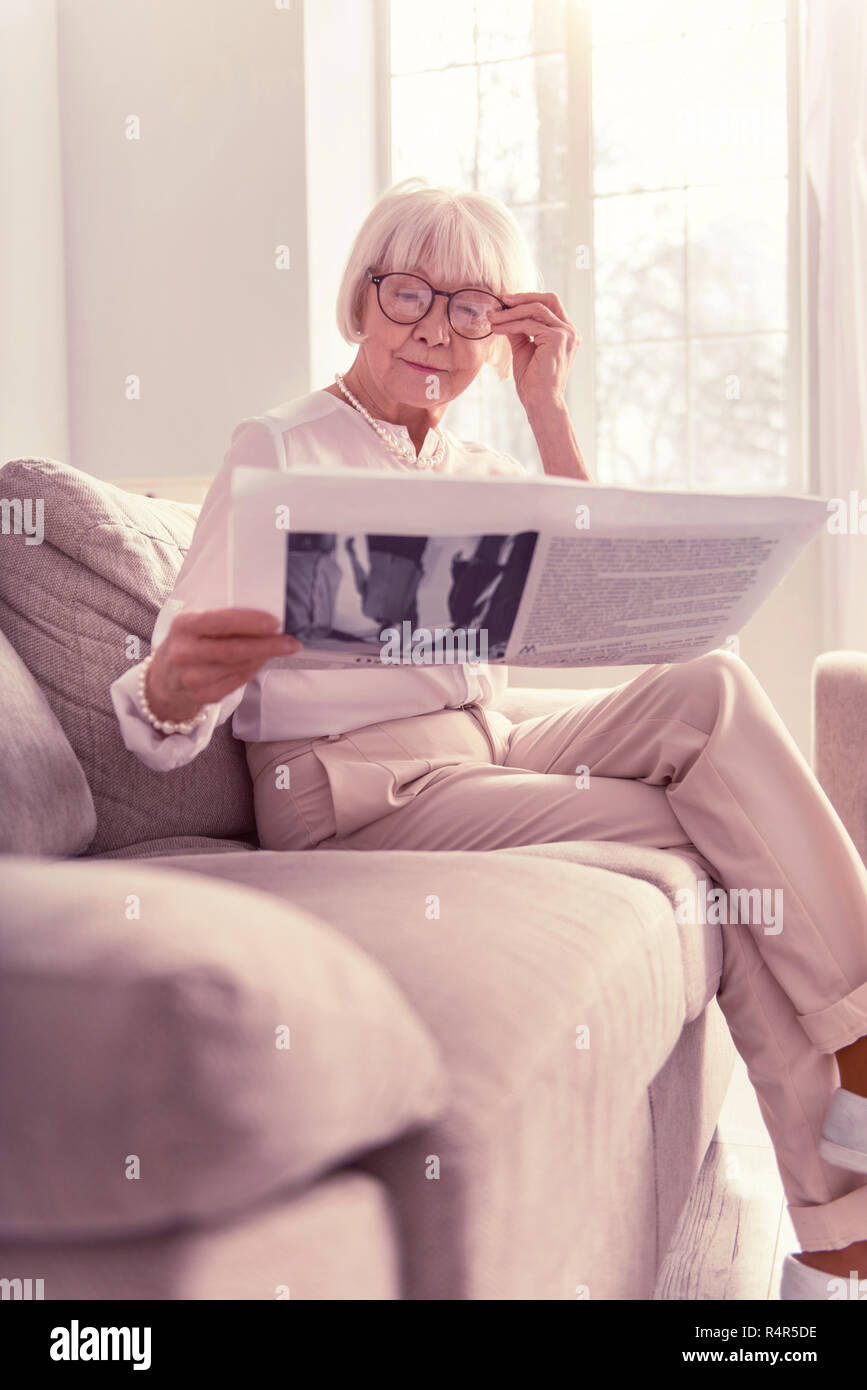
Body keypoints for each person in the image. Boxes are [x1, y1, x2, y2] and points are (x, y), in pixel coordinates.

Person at [110, 176, 867, 1299]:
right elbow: (170, 702)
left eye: (472, 309)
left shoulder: (477, 469)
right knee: (723, 832)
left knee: (707, 687)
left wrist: (550, 411)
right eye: (411, 293)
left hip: (480, 747)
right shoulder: (279, 446)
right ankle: (838, 1214)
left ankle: (853, 1107)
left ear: (500, 336)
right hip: (348, 790)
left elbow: (610, 606)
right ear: (360, 300)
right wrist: (169, 685)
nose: (436, 329)